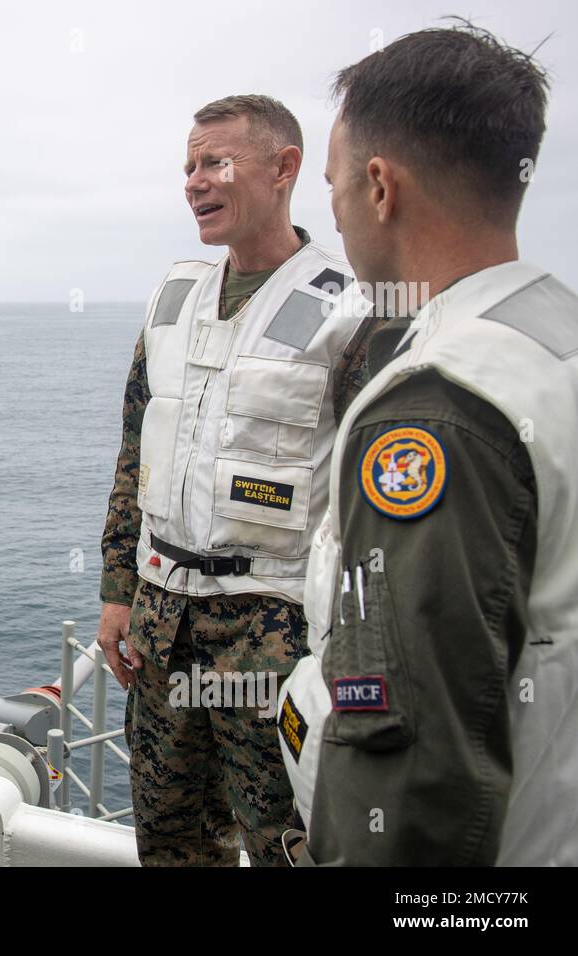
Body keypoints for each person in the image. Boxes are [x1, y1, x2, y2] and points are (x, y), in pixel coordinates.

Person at [279, 22, 577, 866]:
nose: (335, 217)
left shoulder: (437, 407)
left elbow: (411, 767)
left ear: (380, 188)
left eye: (334, 189)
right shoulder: (551, 337)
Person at [97, 95, 376, 866]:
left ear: (286, 169)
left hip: (276, 640)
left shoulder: (351, 311)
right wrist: (118, 590)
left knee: (291, 846)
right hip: (161, 625)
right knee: (171, 842)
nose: (194, 181)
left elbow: (369, 508)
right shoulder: (172, 298)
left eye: (215, 161)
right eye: (188, 165)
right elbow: (134, 451)